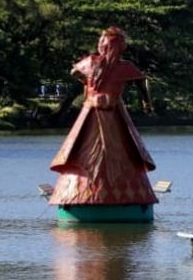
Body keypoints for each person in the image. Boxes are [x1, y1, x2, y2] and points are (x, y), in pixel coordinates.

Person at [49, 27, 158, 211]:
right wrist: (147, 103)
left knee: (103, 151)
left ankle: (86, 195)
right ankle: (90, 195)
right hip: (105, 112)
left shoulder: (94, 63)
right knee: (98, 151)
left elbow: (73, 72)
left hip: (99, 110)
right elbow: (141, 81)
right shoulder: (121, 66)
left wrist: (87, 82)